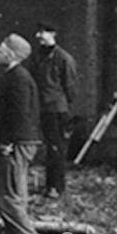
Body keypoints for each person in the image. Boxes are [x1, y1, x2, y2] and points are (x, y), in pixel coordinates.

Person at [0, 34, 44, 234]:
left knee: (6, 194)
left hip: (16, 142)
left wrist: (6, 141)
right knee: (15, 191)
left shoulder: (17, 78)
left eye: (1, 48)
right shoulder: (17, 76)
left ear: (11, 54)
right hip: (21, 140)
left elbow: (18, 114)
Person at [28, 22, 79, 199]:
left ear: (53, 33)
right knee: (50, 148)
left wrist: (67, 110)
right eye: (38, 32)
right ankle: (52, 185)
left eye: (42, 32)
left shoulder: (64, 59)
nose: (39, 35)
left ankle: (55, 186)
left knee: (55, 148)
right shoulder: (38, 56)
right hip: (44, 108)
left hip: (57, 110)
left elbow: (70, 88)